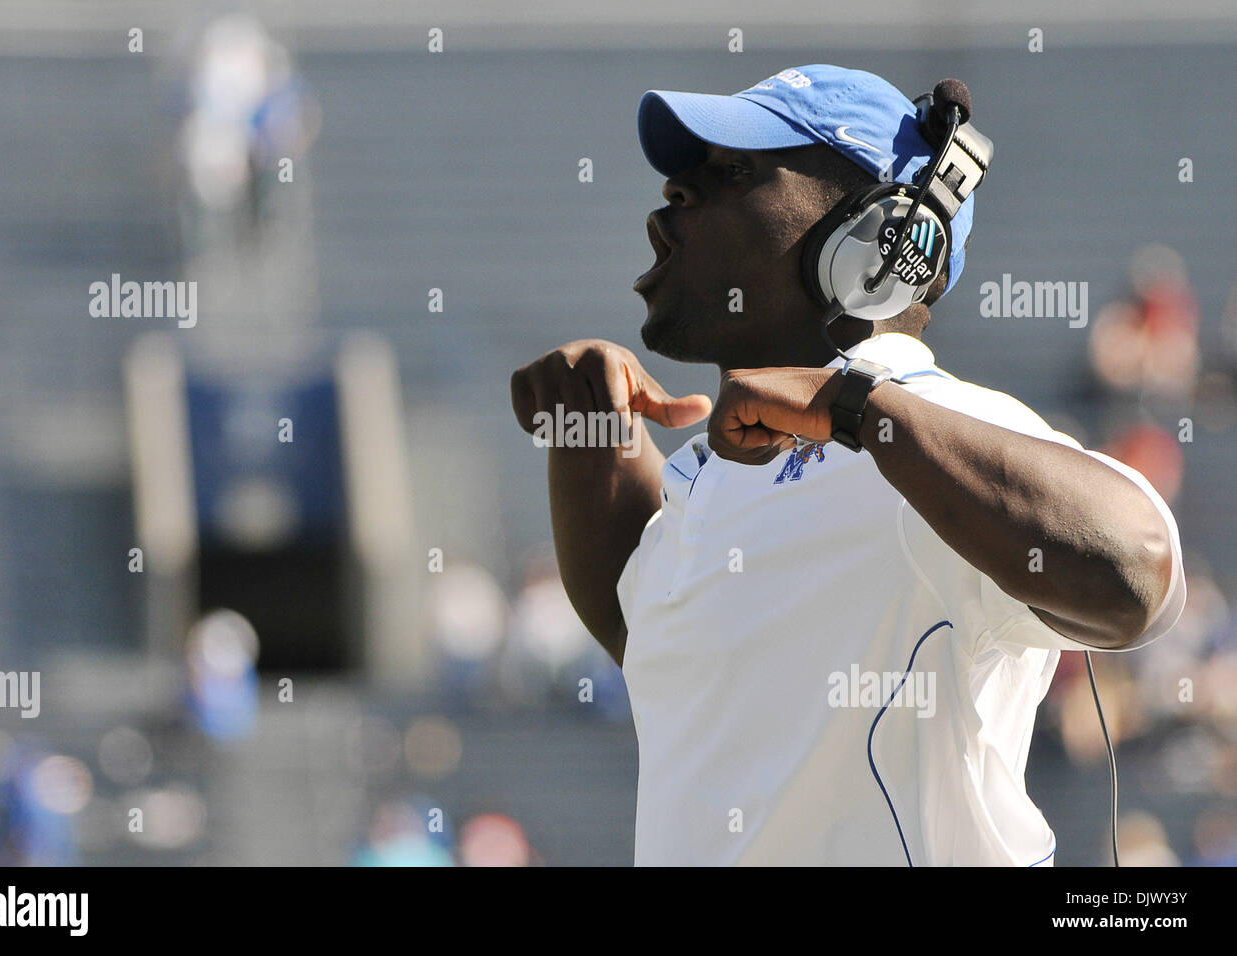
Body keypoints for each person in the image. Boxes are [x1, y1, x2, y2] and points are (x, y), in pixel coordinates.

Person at [508, 64, 1186, 865]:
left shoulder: (941, 426)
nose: (669, 203)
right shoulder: (712, 475)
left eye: (728, 172)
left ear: (872, 240)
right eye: (676, 181)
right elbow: (651, 635)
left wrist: (858, 407)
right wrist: (594, 435)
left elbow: (1136, 573)